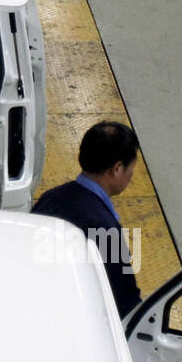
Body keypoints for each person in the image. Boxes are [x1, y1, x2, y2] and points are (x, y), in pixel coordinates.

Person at [31, 121, 141, 318]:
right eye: (132, 166)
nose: (133, 173)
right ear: (117, 168)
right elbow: (125, 302)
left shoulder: (51, 197)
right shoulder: (104, 228)